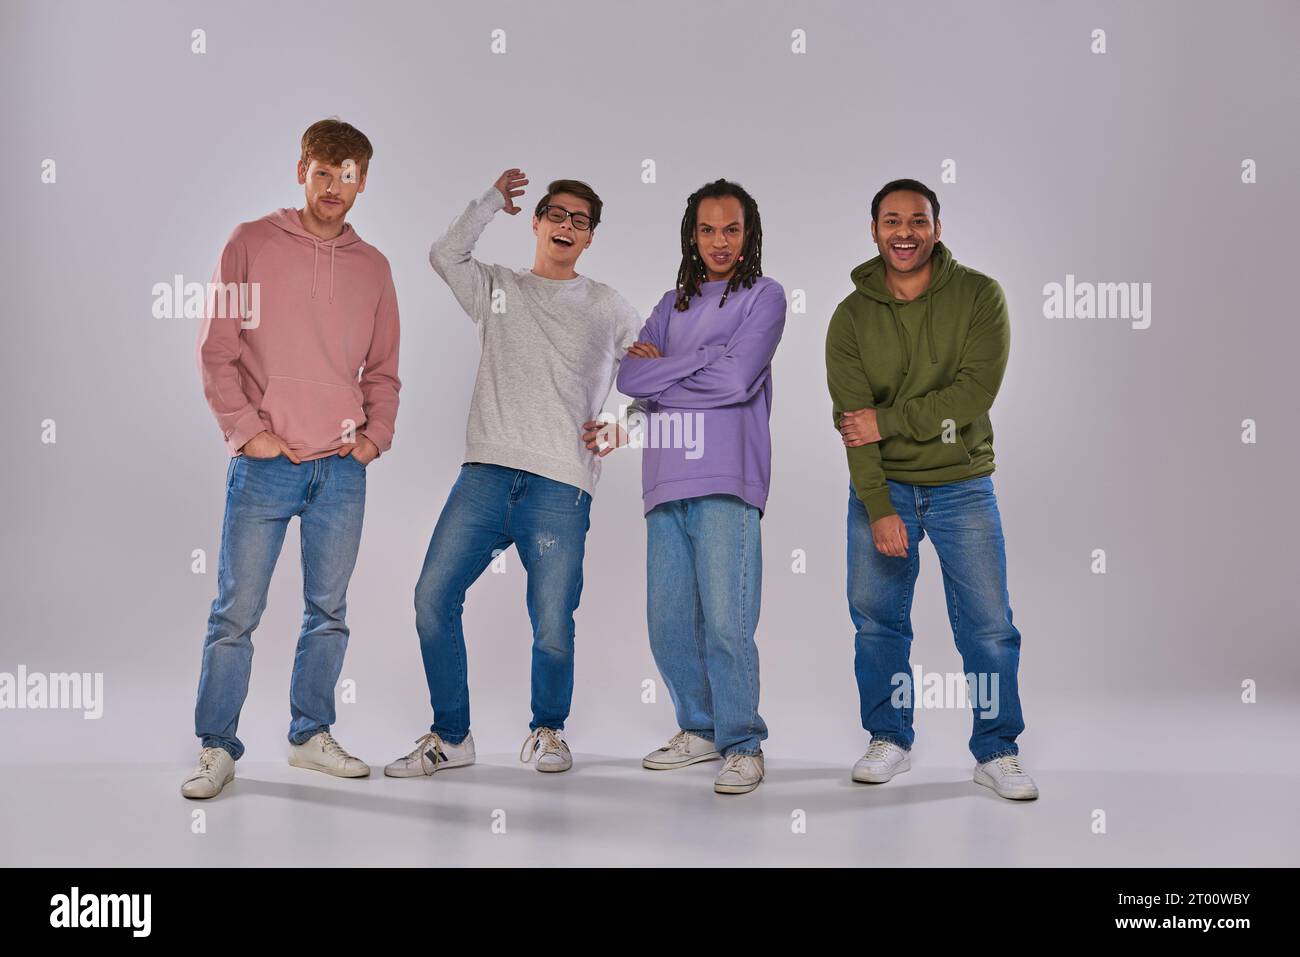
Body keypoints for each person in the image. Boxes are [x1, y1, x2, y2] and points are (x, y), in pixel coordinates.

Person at [384, 169, 641, 778]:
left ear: (591, 237)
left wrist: (625, 423)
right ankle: (452, 737)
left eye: (580, 220)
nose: (566, 226)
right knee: (432, 598)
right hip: (485, 477)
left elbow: (658, 373)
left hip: (559, 484)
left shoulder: (606, 305)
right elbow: (444, 254)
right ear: (537, 221)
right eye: (557, 214)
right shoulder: (497, 288)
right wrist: (490, 202)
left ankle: (548, 731)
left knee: (552, 620)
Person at [183, 118, 401, 799]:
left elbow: (384, 370)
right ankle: (216, 746)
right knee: (236, 611)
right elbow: (216, 348)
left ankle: (309, 734)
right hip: (266, 463)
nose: (334, 187)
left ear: (363, 182)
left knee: (328, 610)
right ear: (300, 169)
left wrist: (374, 437)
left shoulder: (374, 268)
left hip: (340, 467)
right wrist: (248, 432)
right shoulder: (250, 244)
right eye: (322, 171)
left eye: (348, 175)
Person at [825, 178, 1037, 800]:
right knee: (878, 624)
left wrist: (888, 420)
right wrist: (878, 505)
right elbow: (850, 423)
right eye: (891, 221)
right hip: (882, 486)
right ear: (874, 231)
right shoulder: (850, 315)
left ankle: (997, 749)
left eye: (917, 220)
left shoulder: (979, 296)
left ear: (936, 228)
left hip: (962, 485)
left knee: (989, 626)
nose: (904, 233)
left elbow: (972, 396)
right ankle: (890, 738)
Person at [607, 179, 786, 795]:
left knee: (728, 622)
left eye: (731, 230)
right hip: (663, 477)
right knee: (668, 622)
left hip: (727, 478)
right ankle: (701, 728)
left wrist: (665, 374)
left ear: (748, 235)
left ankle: (743, 741)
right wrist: (698, 359)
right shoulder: (669, 303)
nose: (718, 242)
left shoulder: (764, 296)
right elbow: (631, 375)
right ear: (692, 235)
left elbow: (737, 381)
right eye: (707, 230)